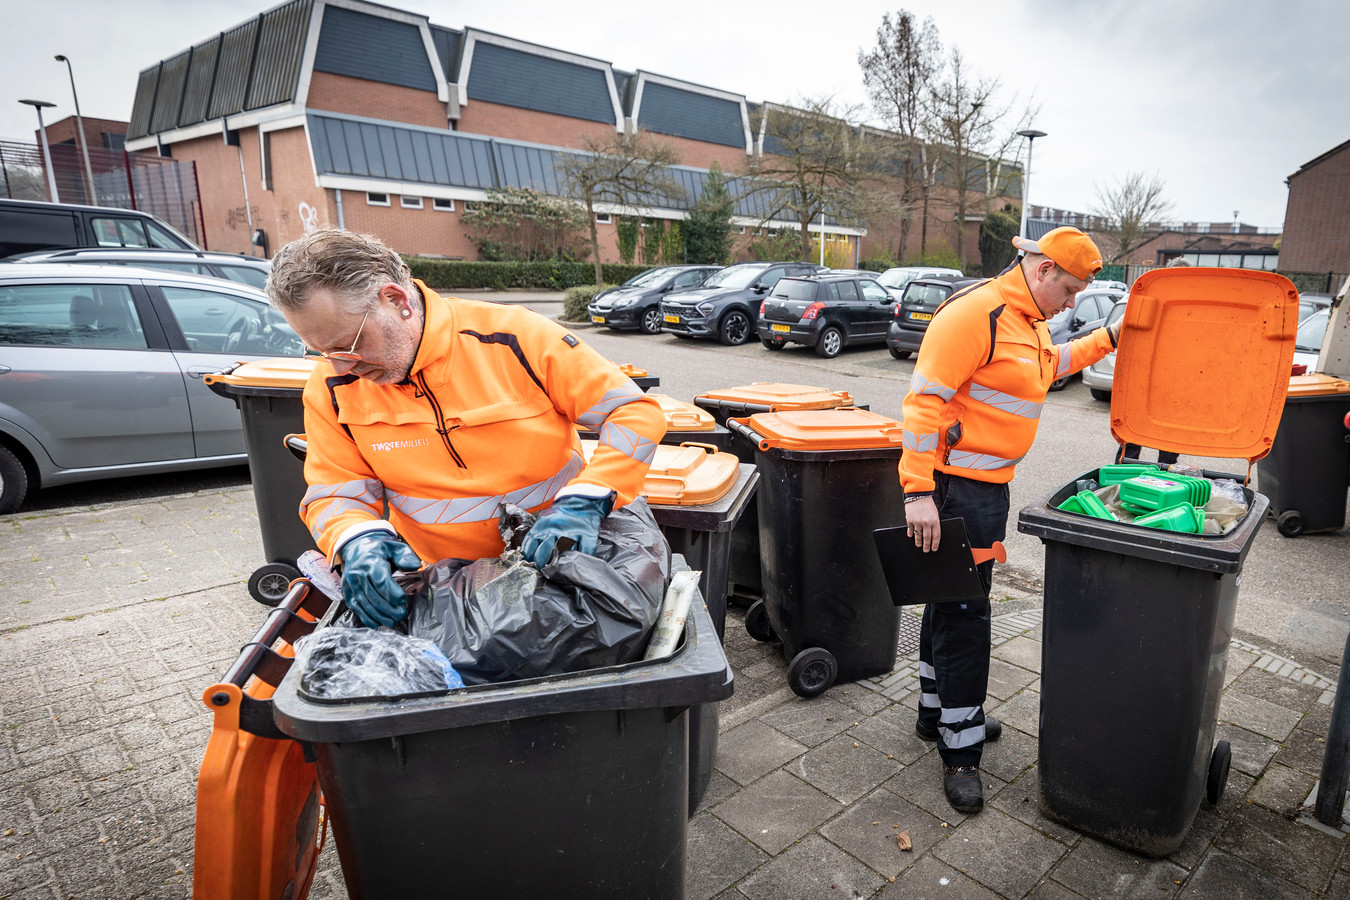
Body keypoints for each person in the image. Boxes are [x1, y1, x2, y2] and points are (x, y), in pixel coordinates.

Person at [266, 228, 666, 629]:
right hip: (447, 585)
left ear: (395, 300)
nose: (339, 365)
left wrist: (587, 499)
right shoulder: (332, 388)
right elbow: (335, 489)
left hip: (558, 566)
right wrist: (356, 541)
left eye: (347, 345)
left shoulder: (513, 338)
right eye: (321, 351)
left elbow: (632, 413)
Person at [897, 226, 1123, 814]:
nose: (1072, 302)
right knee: (967, 613)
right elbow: (924, 403)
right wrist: (918, 492)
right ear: (1043, 270)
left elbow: (1048, 370)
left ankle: (935, 713)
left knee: (947, 603)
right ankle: (961, 749)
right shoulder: (978, 314)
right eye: (1069, 289)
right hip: (952, 491)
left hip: (984, 491)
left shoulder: (1029, 322)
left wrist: (1111, 337)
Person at [1116, 257, 1190, 466]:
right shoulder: (1149, 300)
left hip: (1177, 382)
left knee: (1169, 439)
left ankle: (1163, 480)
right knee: (1131, 436)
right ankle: (1121, 476)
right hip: (1144, 377)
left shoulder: (1193, 310)